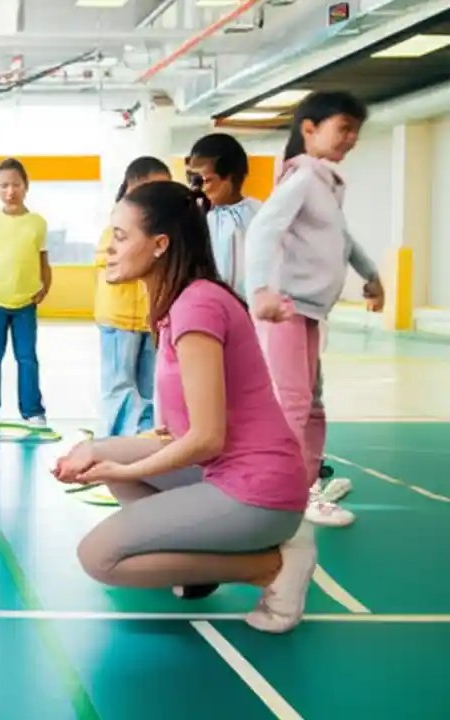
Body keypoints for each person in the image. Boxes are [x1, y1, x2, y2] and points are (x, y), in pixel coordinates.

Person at [55, 180, 314, 634]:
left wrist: (123, 471)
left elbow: (206, 437)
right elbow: (182, 433)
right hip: (228, 472)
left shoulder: (197, 307)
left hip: (259, 493)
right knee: (105, 450)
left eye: (120, 236)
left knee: (98, 557)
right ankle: (198, 568)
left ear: (159, 245)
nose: (108, 249)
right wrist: (101, 453)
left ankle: (271, 568)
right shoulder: (180, 302)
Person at [244, 90, 384, 528]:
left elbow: (342, 237)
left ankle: (303, 486)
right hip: (286, 309)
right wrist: (261, 291)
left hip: (311, 310)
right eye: (343, 128)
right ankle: (280, 492)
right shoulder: (301, 178)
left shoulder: (324, 182)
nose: (351, 139)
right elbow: (263, 232)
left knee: (312, 404)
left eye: (355, 132)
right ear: (309, 129)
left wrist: (371, 274)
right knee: (292, 403)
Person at [94, 157, 170, 437]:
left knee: (151, 386)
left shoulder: (163, 230)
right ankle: (116, 442)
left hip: (150, 319)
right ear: (132, 186)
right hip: (118, 320)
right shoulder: (119, 222)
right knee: (120, 386)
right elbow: (108, 261)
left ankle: (145, 440)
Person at [0, 158, 50, 424]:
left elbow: (42, 260)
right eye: (3, 185)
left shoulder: (37, 223)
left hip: (25, 305)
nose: (10, 191)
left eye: (15, 184)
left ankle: (33, 410)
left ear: (26, 186)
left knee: (27, 358)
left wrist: (44, 288)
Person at [185, 133, 262, 296]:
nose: (198, 188)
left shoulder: (259, 216)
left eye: (205, 180)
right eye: (192, 179)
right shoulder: (197, 215)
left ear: (228, 177)